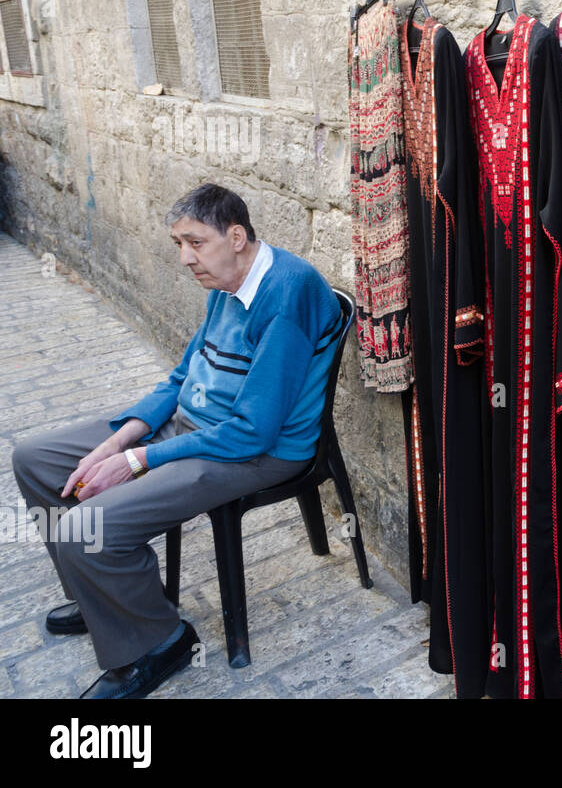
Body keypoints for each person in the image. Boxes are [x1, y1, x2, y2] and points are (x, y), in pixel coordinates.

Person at [11, 183, 345, 698]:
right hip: (195, 426)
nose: (186, 258)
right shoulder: (225, 280)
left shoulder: (287, 291)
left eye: (195, 242)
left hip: (256, 452)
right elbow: (180, 377)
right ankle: (100, 592)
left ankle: (158, 643)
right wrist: (117, 442)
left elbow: (254, 430)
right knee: (34, 459)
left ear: (237, 236)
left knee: (85, 528)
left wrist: (139, 461)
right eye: (177, 244)